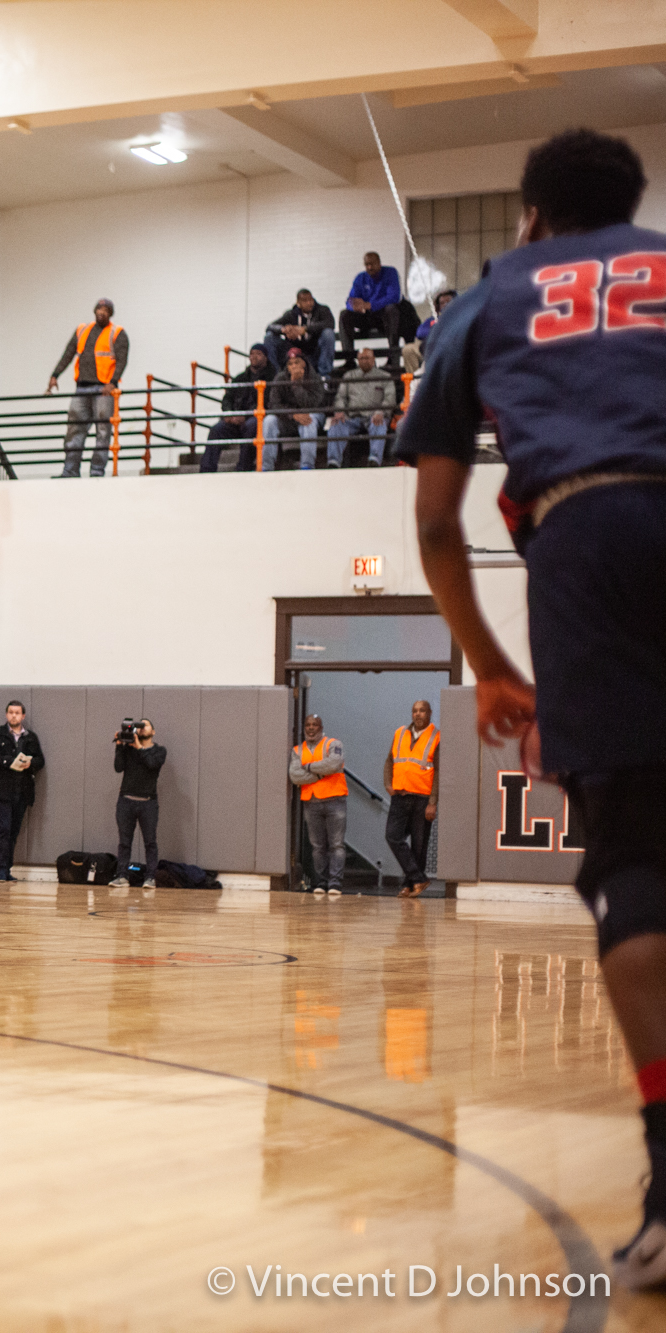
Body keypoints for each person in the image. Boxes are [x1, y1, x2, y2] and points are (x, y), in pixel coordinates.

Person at [395, 130, 666, 1286]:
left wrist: (492, 667)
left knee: (633, 866)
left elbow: (431, 521)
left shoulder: (496, 292)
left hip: (589, 535)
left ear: (529, 214)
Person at [47, 299, 127, 478]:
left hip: (104, 390)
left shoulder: (117, 333)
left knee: (103, 431)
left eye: (106, 310)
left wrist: (112, 383)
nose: (101, 312)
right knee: (74, 429)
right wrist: (55, 375)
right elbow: (68, 353)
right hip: (81, 388)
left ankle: (97, 472)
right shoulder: (82, 330)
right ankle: (70, 471)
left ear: (110, 314)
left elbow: (122, 360)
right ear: (94, 311)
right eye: (99, 309)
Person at [0, 699, 43, 882]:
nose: (13, 715)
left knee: (13, 832)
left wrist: (29, 763)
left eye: (17, 712)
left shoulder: (30, 737)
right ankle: (0, 870)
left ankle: (7, 869)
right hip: (0, 791)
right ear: (6, 714)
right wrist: (8, 761)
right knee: (3, 829)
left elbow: (40, 760)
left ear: (23, 716)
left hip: (21, 791)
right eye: (10, 712)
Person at [381, 699, 438, 897]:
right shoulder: (399, 733)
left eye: (422, 711)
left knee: (419, 844)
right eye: (415, 710)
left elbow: (439, 772)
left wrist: (432, 802)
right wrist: (388, 783)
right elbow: (390, 760)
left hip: (422, 798)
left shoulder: (436, 737)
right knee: (392, 836)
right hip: (400, 795)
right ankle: (419, 878)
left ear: (430, 713)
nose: (418, 714)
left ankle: (410, 884)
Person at [289, 713, 347, 894]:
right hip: (311, 802)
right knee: (317, 846)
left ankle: (335, 883)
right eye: (308, 725)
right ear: (304, 727)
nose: (311, 728)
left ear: (321, 727)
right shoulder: (297, 750)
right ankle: (321, 883)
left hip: (335, 799)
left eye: (315, 725)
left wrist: (308, 767)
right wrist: (321, 774)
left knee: (336, 844)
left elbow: (334, 764)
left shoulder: (333, 744)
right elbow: (294, 776)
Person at [107, 719, 166, 889]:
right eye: (138, 727)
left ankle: (150, 878)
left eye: (145, 725)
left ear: (153, 732)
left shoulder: (159, 751)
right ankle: (122, 876)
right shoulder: (128, 749)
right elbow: (118, 768)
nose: (141, 729)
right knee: (124, 842)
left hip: (148, 803)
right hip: (126, 801)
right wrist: (119, 746)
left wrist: (138, 746)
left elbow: (152, 764)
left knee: (150, 842)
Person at [200, 345, 277, 473]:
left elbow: (268, 402)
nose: (254, 357)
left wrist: (245, 416)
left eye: (258, 354)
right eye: (252, 353)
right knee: (216, 430)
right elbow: (227, 398)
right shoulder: (240, 378)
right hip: (235, 419)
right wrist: (229, 413)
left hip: (255, 419)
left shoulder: (272, 377)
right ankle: (206, 469)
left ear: (265, 357)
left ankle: (243, 467)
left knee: (251, 427)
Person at [327, 347, 397, 468]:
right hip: (352, 417)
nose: (364, 360)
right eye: (361, 358)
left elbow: (389, 398)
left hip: (374, 416)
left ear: (374, 359)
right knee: (336, 425)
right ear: (357, 360)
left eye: (367, 358)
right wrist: (340, 411)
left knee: (379, 424)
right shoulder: (349, 376)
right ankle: (333, 462)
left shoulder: (385, 376)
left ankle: (374, 460)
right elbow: (341, 397)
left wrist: (380, 412)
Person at [261, 348, 326, 470]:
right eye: (290, 364)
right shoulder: (280, 378)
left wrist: (296, 385)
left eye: (297, 362)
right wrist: (292, 414)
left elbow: (312, 405)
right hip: (289, 418)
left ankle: (307, 465)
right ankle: (267, 467)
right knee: (269, 420)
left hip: (312, 415)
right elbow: (274, 404)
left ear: (304, 362)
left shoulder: (314, 378)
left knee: (309, 420)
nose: (294, 366)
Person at [339, 250, 403, 367]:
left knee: (391, 310)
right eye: (366, 264)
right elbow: (350, 300)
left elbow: (394, 297)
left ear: (379, 263)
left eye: (372, 264)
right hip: (366, 317)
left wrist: (371, 305)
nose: (369, 267)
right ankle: (349, 360)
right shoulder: (360, 278)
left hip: (383, 317)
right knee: (344, 315)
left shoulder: (390, 273)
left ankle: (393, 358)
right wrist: (354, 306)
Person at [262, 288, 336, 376]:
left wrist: (305, 329)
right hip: (292, 352)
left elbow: (330, 323)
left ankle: (324, 375)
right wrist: (284, 329)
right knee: (269, 337)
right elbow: (270, 326)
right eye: (305, 301)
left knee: (328, 333)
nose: (309, 303)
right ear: (298, 303)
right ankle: (275, 375)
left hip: (314, 351)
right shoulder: (291, 314)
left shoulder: (322, 310)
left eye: (310, 299)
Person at [403, 289, 455, 373]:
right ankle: (415, 381)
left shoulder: (460, 318)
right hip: (428, 347)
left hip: (450, 348)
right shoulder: (433, 319)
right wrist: (435, 329)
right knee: (408, 349)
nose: (445, 305)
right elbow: (419, 332)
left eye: (448, 301)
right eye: (442, 303)